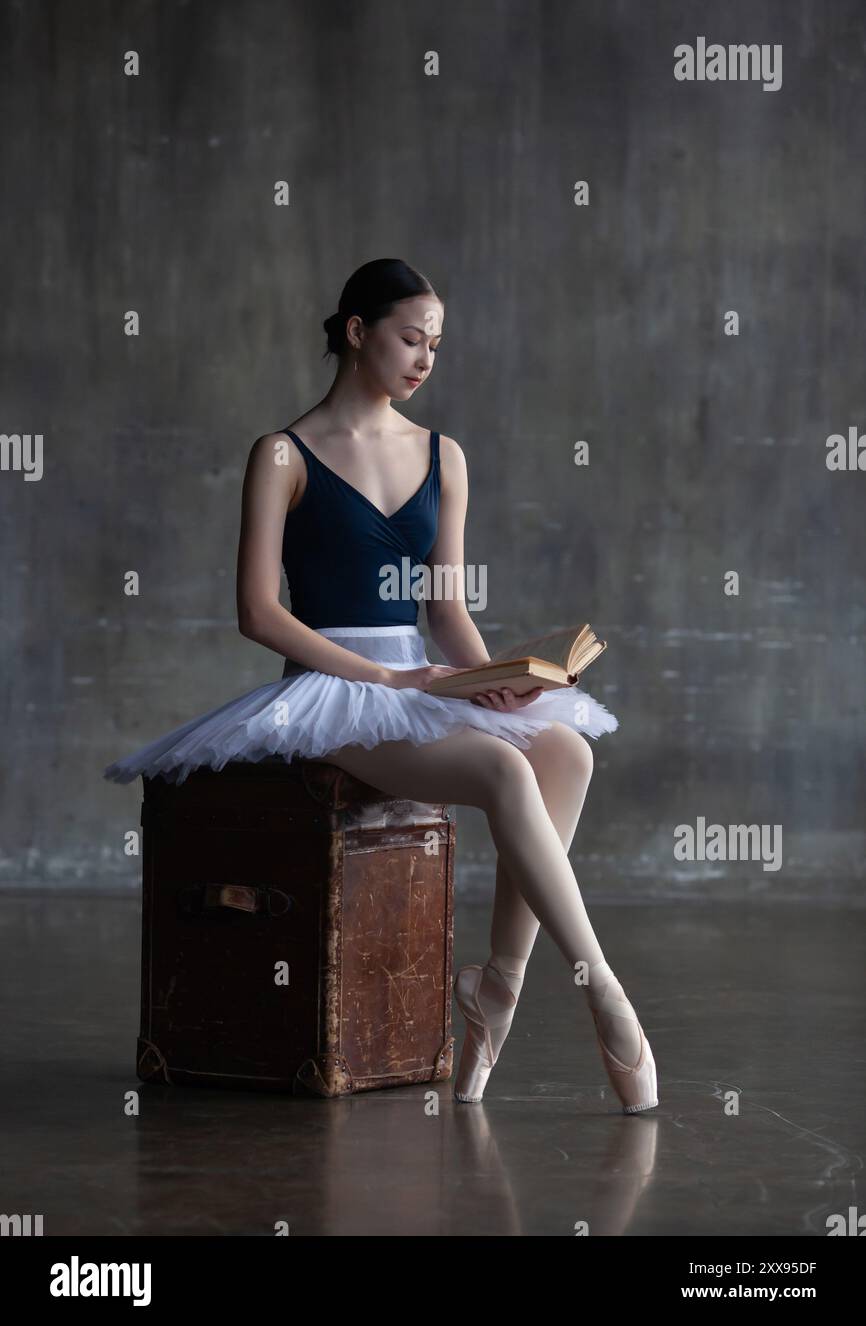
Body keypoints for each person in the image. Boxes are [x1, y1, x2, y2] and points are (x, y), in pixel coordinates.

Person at [104, 258, 657, 1114]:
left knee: (566, 752)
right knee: (507, 774)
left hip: (427, 676)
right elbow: (257, 613)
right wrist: (392, 676)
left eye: (436, 343)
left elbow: (445, 611)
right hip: (335, 688)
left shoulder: (444, 455)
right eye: (410, 337)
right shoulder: (283, 454)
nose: (426, 358)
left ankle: (498, 984)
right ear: (357, 332)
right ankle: (603, 992)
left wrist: (489, 682)